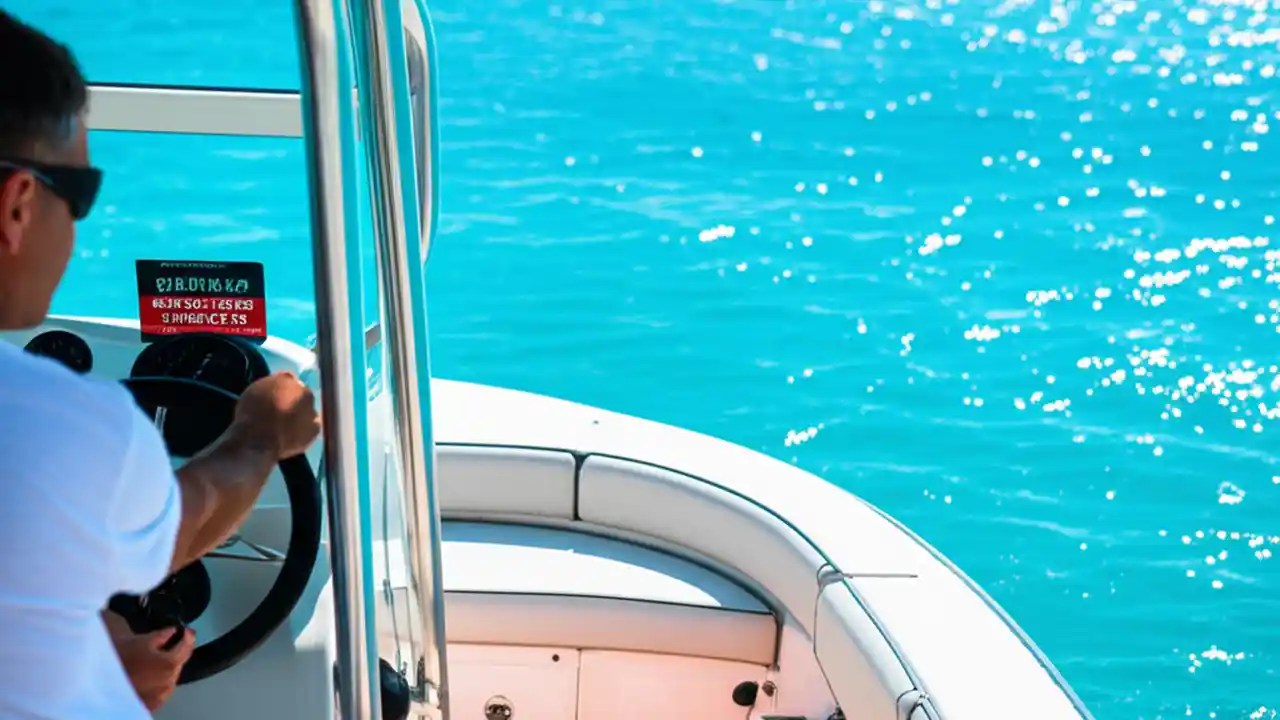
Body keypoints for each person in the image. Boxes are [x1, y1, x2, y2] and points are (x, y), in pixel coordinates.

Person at [0, 9, 322, 719]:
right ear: (17, 205)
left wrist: (87, 653)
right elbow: (183, 522)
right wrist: (261, 434)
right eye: (79, 195)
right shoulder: (59, 423)